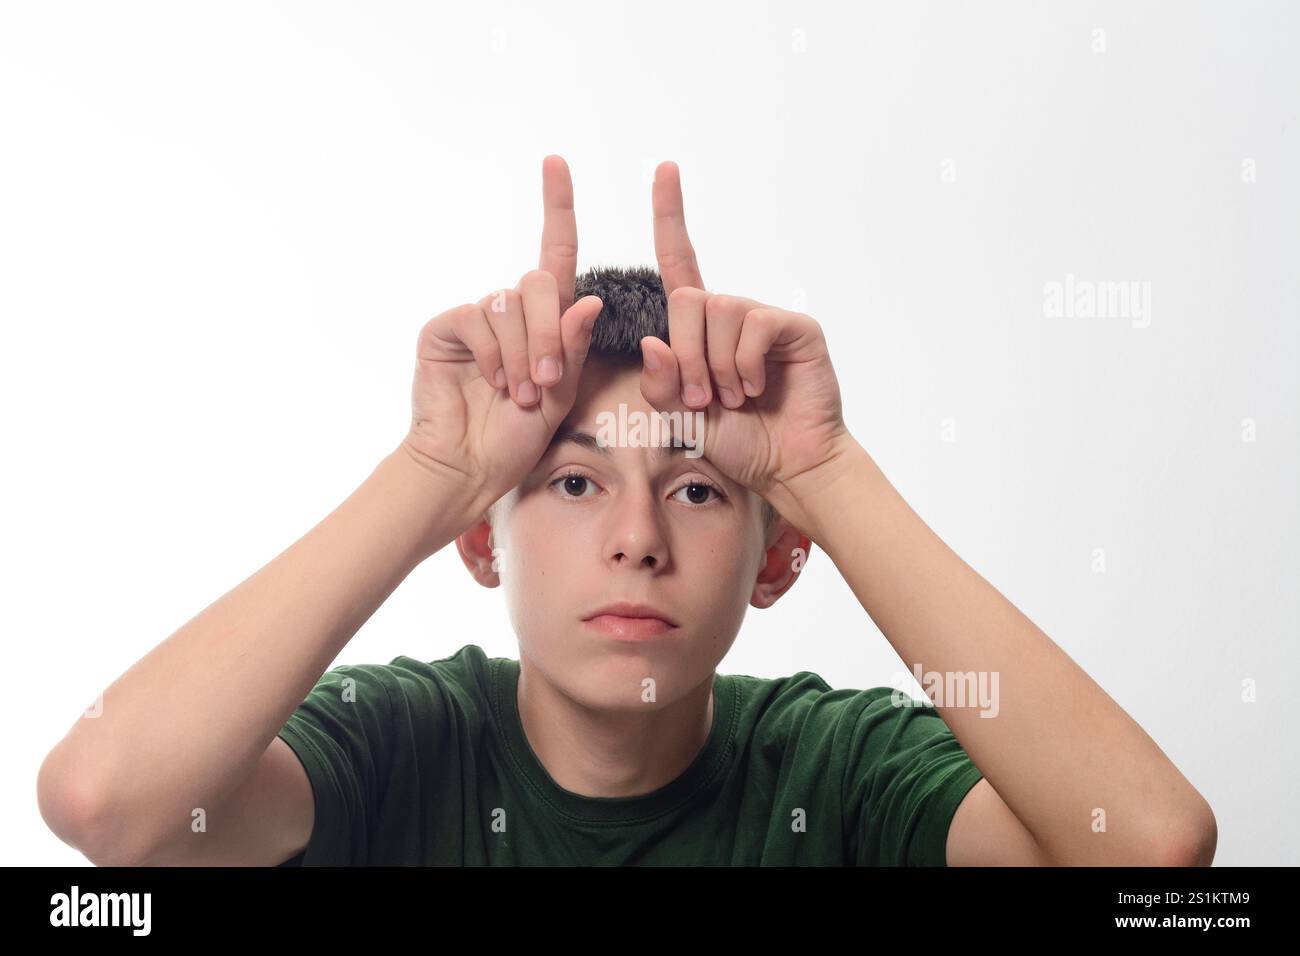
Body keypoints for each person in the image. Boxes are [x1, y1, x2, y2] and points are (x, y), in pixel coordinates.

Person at [36, 156, 1216, 867]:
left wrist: (829, 468)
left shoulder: (834, 764)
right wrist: (433, 467)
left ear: (781, 557)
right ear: (477, 542)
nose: (638, 536)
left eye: (697, 488)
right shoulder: (399, 738)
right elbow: (106, 802)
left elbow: (1152, 849)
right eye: (573, 480)